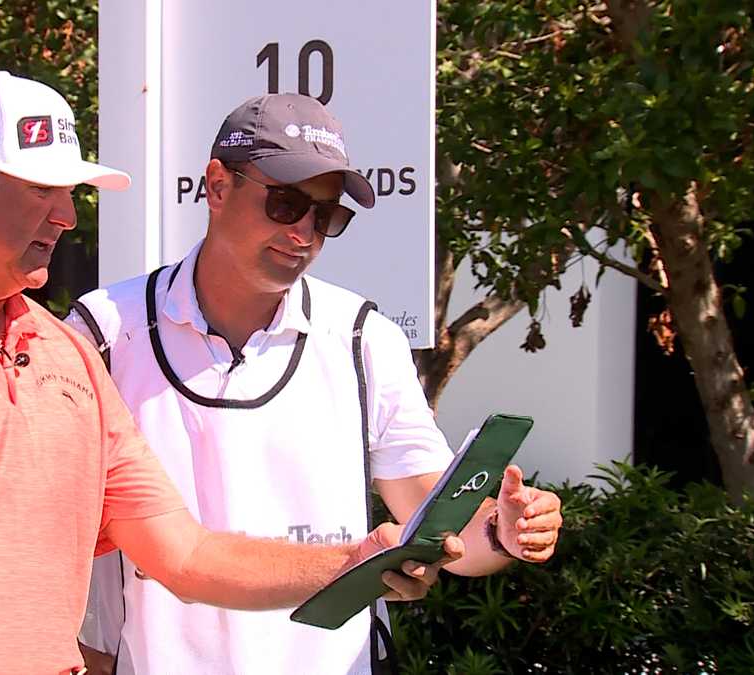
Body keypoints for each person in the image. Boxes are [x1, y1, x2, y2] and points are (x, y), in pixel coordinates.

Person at [0, 73, 456, 675]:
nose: (67, 216)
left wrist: (358, 559)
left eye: (71, 191)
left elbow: (187, 553)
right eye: (42, 189)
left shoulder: (66, 350)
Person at [69, 94, 564, 675]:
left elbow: (433, 522)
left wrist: (503, 530)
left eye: (326, 216)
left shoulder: (363, 338)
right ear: (217, 186)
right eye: (285, 202)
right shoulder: (103, 332)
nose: (304, 231)